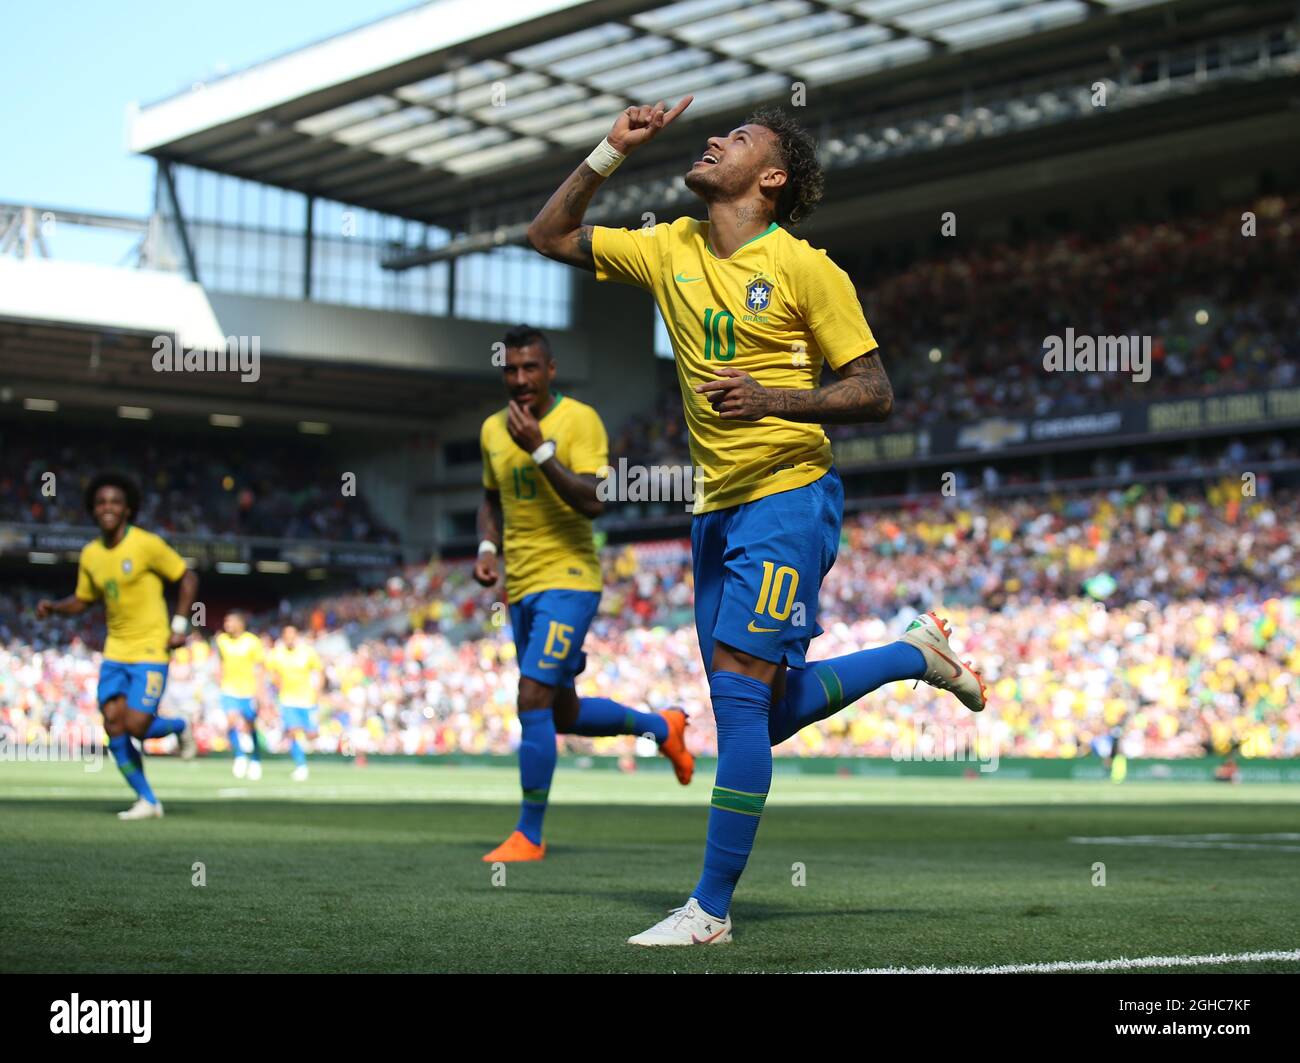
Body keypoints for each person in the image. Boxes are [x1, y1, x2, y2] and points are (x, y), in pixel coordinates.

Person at [527, 100, 986, 943]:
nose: (712, 141)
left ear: (770, 178)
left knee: (740, 707)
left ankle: (709, 910)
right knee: (761, 715)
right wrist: (607, 150)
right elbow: (549, 236)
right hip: (714, 508)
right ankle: (910, 652)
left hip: (788, 491)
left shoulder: (809, 270)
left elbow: (874, 390)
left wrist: (773, 396)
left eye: (736, 139)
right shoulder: (670, 245)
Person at [475, 324, 694, 863]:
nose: (520, 379)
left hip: (571, 579)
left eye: (531, 368)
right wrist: (486, 546)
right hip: (522, 586)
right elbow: (489, 499)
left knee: (530, 697)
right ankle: (659, 726)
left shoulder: (580, 420)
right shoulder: (490, 431)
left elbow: (596, 500)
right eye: (511, 369)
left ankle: (529, 834)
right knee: (561, 712)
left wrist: (542, 449)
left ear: (551, 371)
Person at [36, 471, 199, 819]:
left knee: (138, 726)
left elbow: (188, 577)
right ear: (93, 510)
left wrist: (180, 625)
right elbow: (84, 600)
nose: (107, 507)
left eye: (115, 502)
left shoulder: (146, 544)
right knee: (113, 726)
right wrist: (54, 608)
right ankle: (148, 801)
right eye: (101, 502)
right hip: (115, 652)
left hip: (151, 649)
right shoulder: (91, 554)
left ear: (128, 509)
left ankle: (181, 726)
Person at [268, 625, 322, 782]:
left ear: (296, 636)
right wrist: (278, 687)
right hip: (288, 699)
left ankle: (307, 754)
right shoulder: (277, 654)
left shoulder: (308, 652)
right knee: (292, 731)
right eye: (287, 635)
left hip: (307, 699)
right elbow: (273, 673)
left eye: (292, 635)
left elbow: (318, 672)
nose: (290, 638)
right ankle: (301, 765)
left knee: (311, 735)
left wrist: (317, 693)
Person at [216, 610, 266, 779]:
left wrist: (259, 692)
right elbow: (221, 663)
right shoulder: (222, 641)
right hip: (229, 688)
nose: (227, 625)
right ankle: (239, 756)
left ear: (240, 624)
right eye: (225, 622)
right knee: (230, 722)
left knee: (250, 725)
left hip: (248, 689)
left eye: (230, 622)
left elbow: (259, 668)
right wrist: (219, 682)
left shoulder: (252, 642)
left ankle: (256, 759)